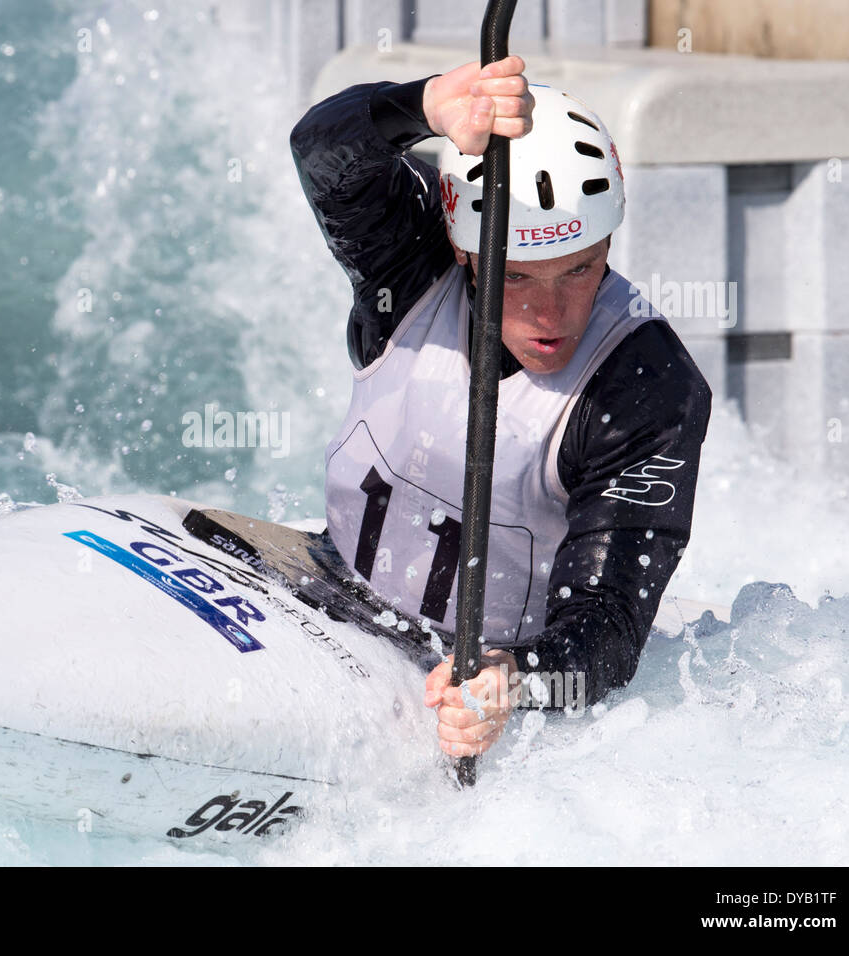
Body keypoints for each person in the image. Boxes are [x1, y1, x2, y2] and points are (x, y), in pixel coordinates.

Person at [289, 57, 712, 759]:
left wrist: (514, 684)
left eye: (580, 268)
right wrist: (422, 105)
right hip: (333, 585)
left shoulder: (645, 387)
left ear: (608, 240)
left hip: (481, 670)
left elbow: (609, 627)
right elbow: (320, 151)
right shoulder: (413, 259)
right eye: (516, 277)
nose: (551, 313)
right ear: (467, 252)